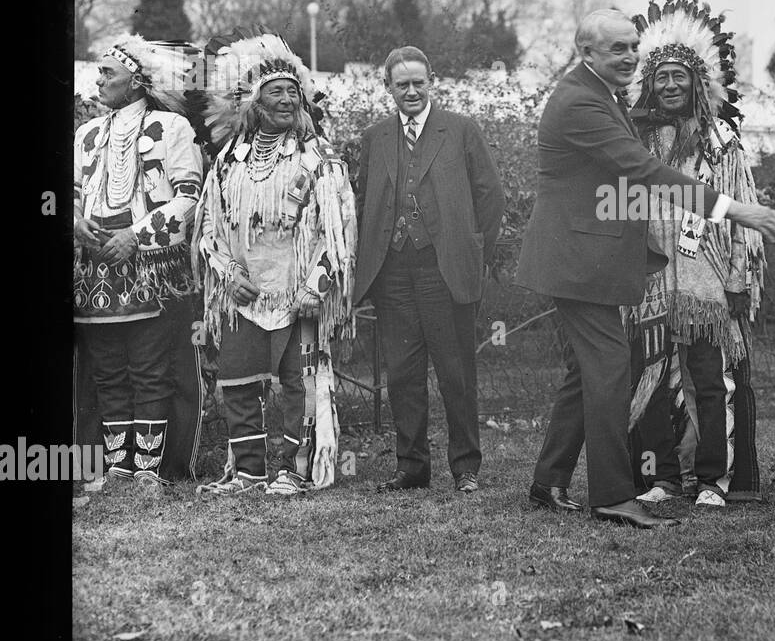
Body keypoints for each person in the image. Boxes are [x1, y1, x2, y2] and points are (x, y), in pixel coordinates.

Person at [514, 8, 775, 529]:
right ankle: (613, 495)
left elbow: (633, 129)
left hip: (578, 259)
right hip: (577, 262)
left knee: (584, 372)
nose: (628, 57)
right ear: (586, 52)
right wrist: (736, 209)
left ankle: (548, 482)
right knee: (610, 368)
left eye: (631, 47)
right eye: (616, 49)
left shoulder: (596, 94)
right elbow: (643, 170)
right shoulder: (580, 103)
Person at [192, 28, 357, 496]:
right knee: (239, 382)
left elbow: (338, 228)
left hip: (297, 290)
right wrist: (228, 276)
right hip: (245, 292)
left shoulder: (319, 158)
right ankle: (248, 471)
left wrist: (316, 285)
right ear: (254, 103)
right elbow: (210, 228)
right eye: (275, 92)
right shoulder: (229, 161)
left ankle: (294, 469)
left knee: (298, 383)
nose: (286, 99)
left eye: (292, 92)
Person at [624, 0, 766, 509]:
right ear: (648, 84)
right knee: (654, 377)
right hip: (650, 280)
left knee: (709, 379)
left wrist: (737, 276)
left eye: (678, 77)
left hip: (705, 278)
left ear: (698, 82)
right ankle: (663, 477)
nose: (668, 86)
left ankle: (712, 479)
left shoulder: (720, 137)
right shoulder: (635, 140)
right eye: (659, 78)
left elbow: (741, 211)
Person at [353, 46, 505, 494]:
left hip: (446, 271)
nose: (412, 91)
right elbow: (366, 204)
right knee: (402, 372)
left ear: (431, 81)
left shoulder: (460, 130)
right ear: (389, 88)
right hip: (393, 273)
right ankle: (412, 466)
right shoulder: (375, 137)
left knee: (455, 372)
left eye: (419, 82)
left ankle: (465, 467)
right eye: (403, 85)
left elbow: (490, 198)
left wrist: (472, 249)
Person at [73, 36, 205, 487]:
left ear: (135, 81)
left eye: (108, 72)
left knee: (149, 368)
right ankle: (116, 467)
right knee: (108, 371)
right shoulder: (86, 134)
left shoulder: (172, 128)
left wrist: (136, 235)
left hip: (152, 266)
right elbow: (71, 195)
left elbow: (191, 198)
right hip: (96, 267)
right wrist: (76, 223)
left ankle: (149, 470)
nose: (99, 79)